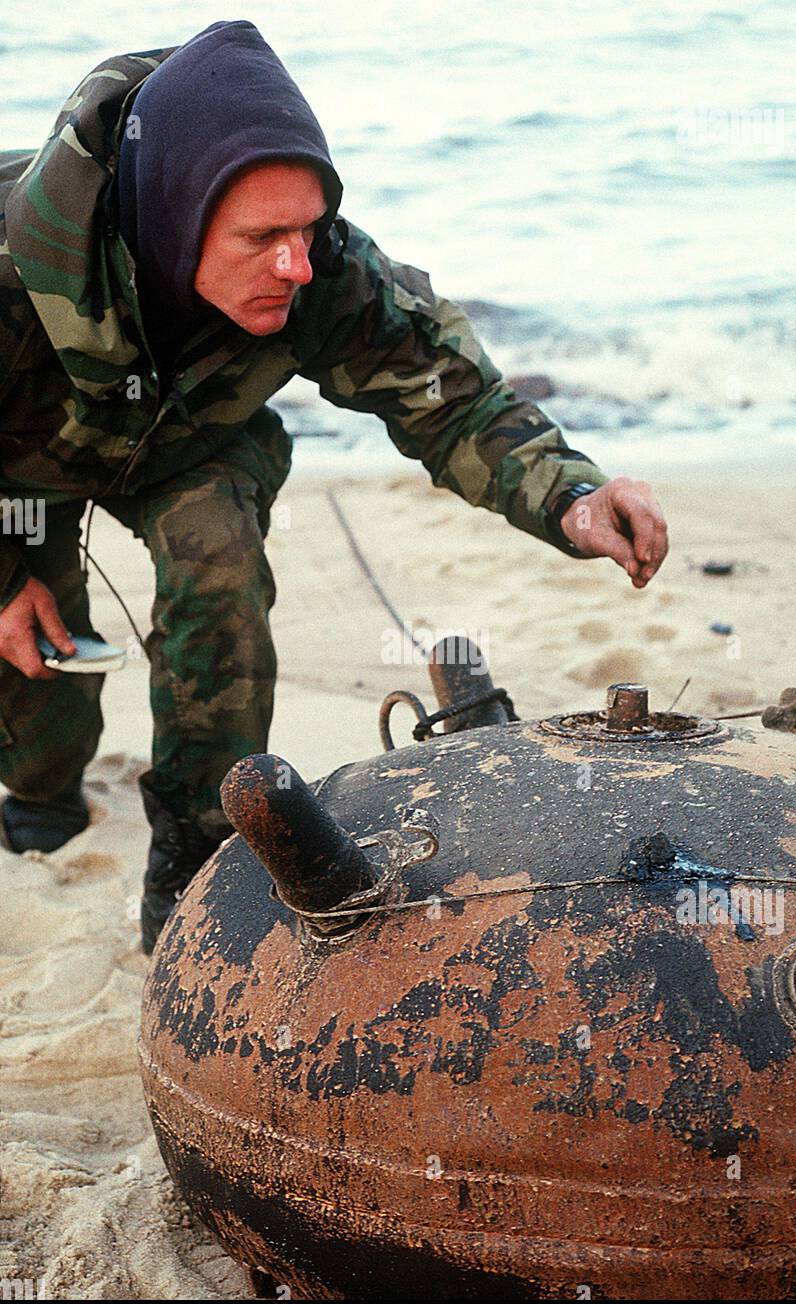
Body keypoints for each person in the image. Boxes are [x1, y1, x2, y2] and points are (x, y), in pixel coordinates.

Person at [0, 20, 668, 952]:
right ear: (171, 214)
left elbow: (449, 399)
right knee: (38, 680)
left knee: (217, 565)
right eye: (261, 236)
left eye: (308, 229)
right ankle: (37, 800)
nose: (295, 265)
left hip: (193, 447)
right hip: (13, 475)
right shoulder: (7, 264)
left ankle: (196, 853)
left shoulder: (321, 271)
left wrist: (572, 498)